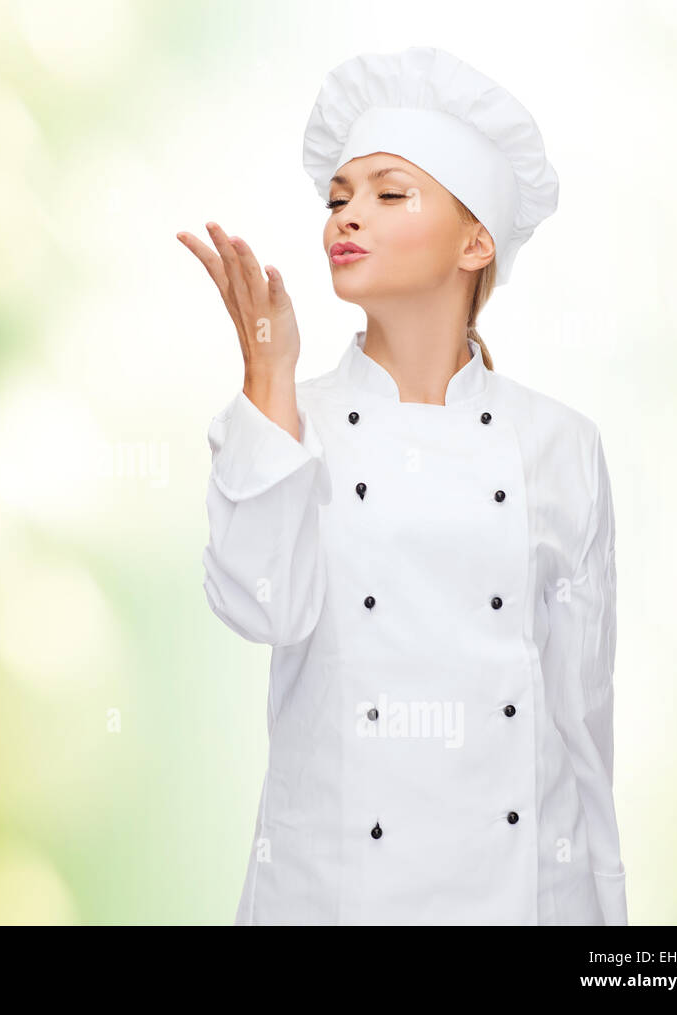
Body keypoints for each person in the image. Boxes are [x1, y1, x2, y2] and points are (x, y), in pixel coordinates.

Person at [177, 46, 626, 925]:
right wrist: (268, 375)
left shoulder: (561, 445)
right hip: (331, 891)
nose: (347, 216)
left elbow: (583, 720)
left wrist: (609, 930)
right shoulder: (278, 421)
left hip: (526, 893)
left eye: (389, 192)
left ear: (475, 240)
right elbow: (260, 607)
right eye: (339, 197)